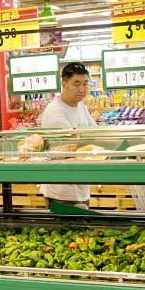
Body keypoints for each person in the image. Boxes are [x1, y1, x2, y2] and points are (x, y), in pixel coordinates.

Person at [40, 62, 97, 209]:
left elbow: (96, 133)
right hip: (62, 190)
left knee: (82, 231)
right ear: (64, 84)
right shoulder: (56, 111)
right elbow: (66, 148)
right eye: (76, 84)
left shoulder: (81, 106)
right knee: (67, 230)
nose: (82, 89)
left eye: (85, 84)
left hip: (79, 185)